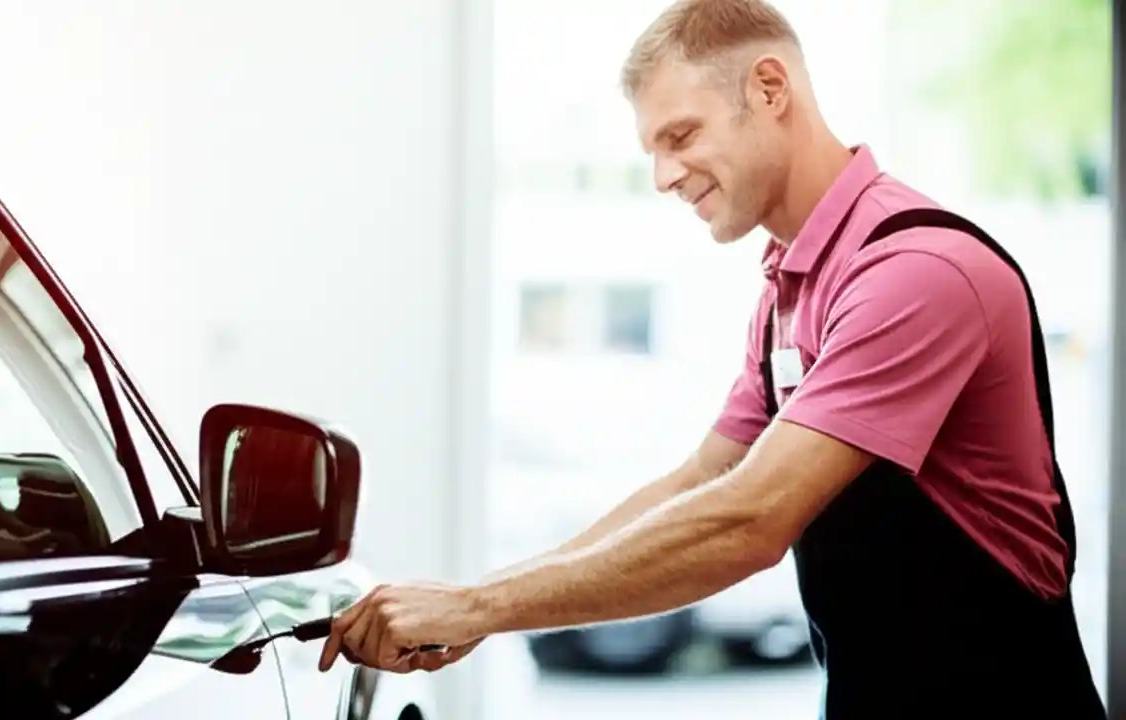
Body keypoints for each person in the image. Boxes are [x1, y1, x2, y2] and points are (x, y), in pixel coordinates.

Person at [317, 1, 1107, 717]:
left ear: (769, 89)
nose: (664, 176)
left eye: (681, 136)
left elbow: (750, 518)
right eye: (653, 149)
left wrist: (479, 609)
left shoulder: (917, 273)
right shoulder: (790, 291)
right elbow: (700, 483)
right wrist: (475, 601)